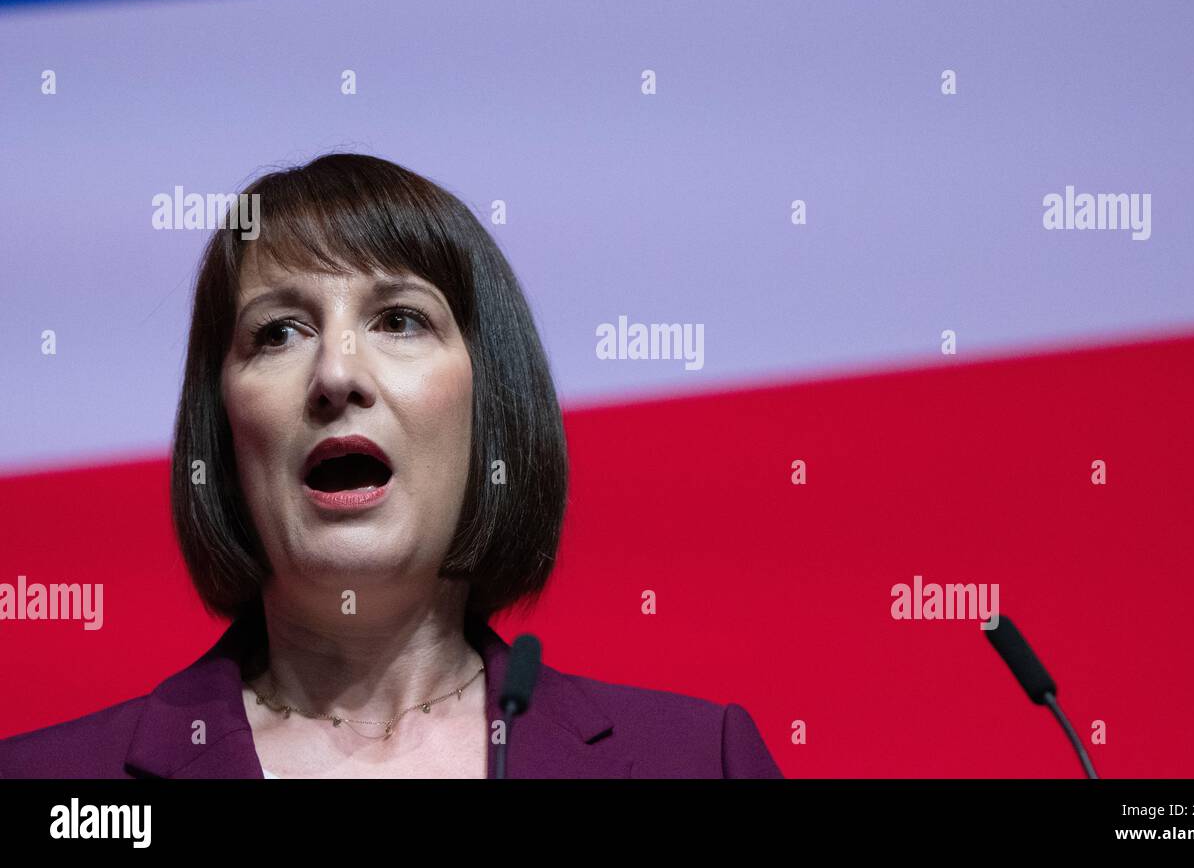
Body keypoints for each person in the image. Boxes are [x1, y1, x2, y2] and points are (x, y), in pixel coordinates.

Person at [0, 153, 783, 779]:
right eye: (277, 332)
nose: (337, 375)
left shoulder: (698, 761)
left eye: (400, 320)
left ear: (491, 401)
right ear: (223, 427)